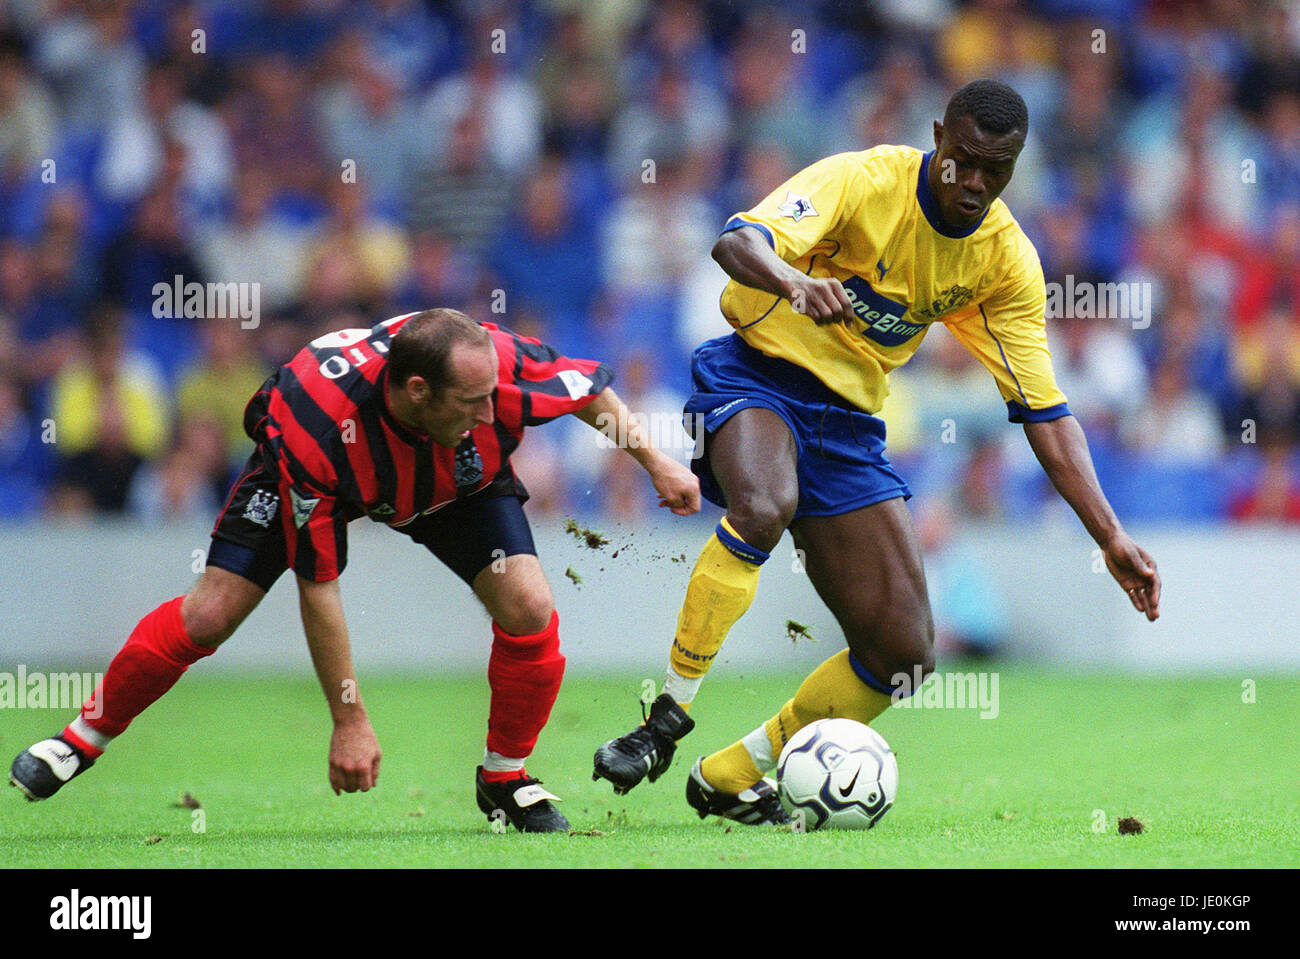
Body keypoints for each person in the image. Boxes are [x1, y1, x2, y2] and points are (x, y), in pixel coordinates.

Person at [592, 79, 1162, 824]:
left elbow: (1046, 411)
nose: (976, 183)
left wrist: (1110, 533)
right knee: (765, 505)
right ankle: (665, 717)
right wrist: (794, 282)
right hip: (755, 374)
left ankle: (730, 773)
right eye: (964, 161)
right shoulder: (863, 181)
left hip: (849, 423)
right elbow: (735, 240)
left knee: (905, 655)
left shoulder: (1002, 260)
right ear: (937, 137)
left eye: (999, 170)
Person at [11, 308, 700, 832]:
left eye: (493, 396)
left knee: (528, 604)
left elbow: (585, 392)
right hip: (330, 478)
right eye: (474, 403)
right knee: (209, 612)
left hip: (451, 477)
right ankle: (80, 739)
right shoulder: (312, 419)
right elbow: (320, 585)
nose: (496, 412)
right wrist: (350, 719)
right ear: (418, 390)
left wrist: (658, 462)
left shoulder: (491, 367)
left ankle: (504, 777)